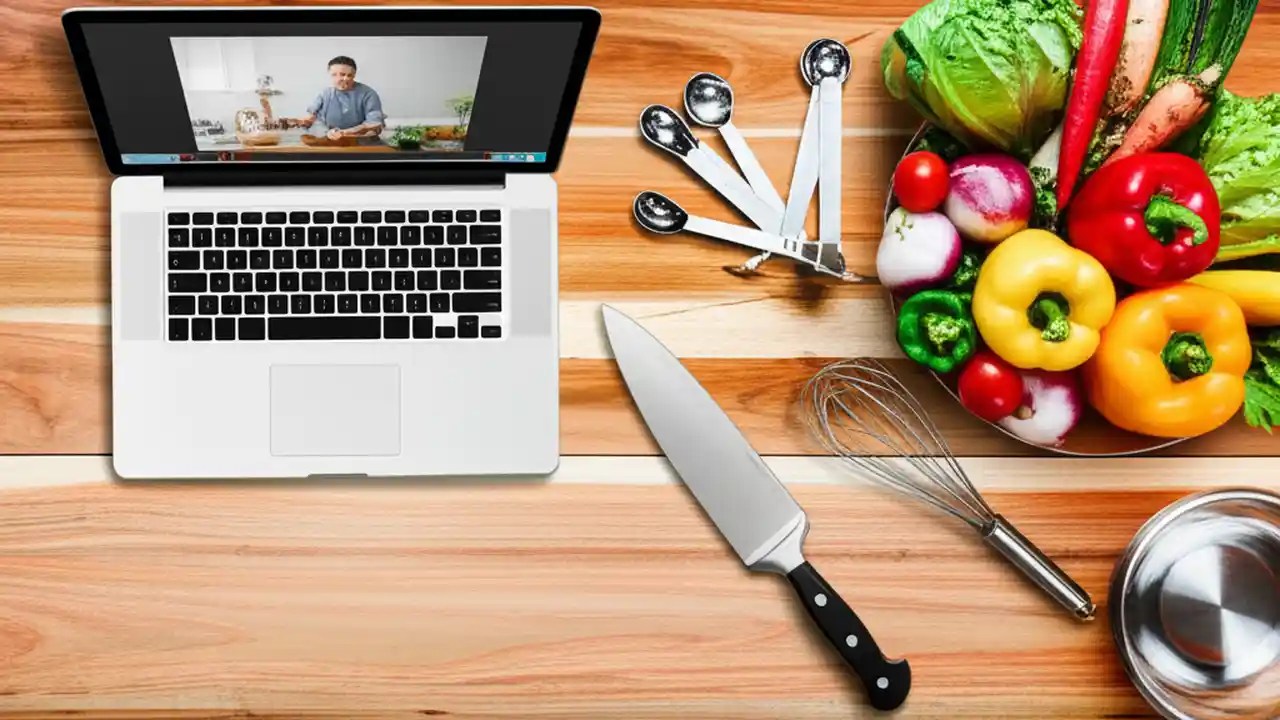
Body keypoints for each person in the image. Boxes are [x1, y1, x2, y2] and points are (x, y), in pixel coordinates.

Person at [293, 56, 386, 140]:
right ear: (331, 74)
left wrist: (348, 132)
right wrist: (328, 133)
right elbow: (312, 121)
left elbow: (375, 123)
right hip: (329, 141)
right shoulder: (324, 94)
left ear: (354, 75)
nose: (345, 79)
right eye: (341, 74)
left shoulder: (368, 94)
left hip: (360, 142)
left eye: (349, 75)